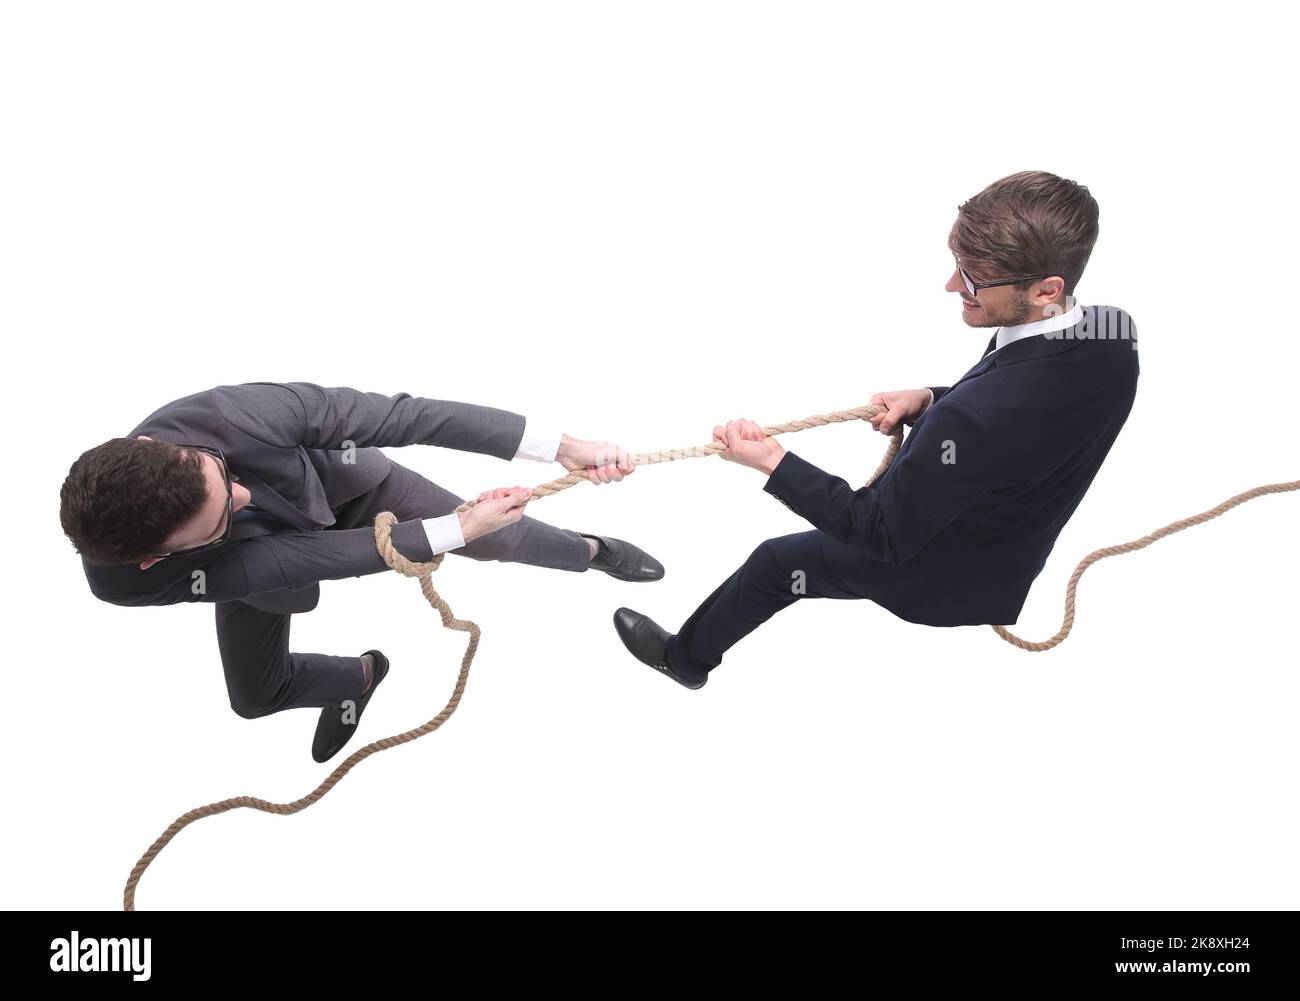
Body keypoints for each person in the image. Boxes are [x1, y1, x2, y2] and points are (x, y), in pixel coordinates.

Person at [613, 170, 1139, 688]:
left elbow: (881, 534)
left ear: (1048, 287)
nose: (953, 284)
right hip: (1011, 547)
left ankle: (683, 659)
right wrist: (933, 399)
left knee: (777, 564)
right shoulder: (1114, 335)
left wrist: (773, 462)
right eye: (959, 265)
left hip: (941, 573)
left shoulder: (974, 419)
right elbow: (1027, 406)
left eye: (974, 279)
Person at [60, 383, 664, 759]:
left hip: (349, 490)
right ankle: (360, 680)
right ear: (155, 558)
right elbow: (283, 560)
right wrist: (453, 528)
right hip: (253, 569)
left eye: (223, 473)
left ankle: (589, 550)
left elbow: (406, 417)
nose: (243, 497)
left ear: (149, 444)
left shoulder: (234, 415)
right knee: (253, 698)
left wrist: (557, 446)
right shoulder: (129, 582)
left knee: (498, 541)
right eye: (222, 514)